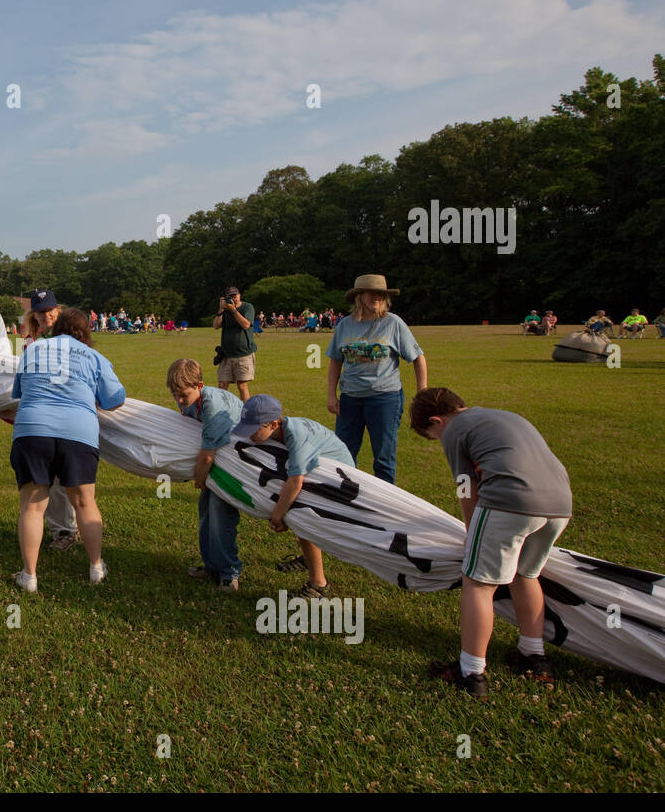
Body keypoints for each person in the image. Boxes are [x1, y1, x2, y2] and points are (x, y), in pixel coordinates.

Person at [410, 388, 572, 699]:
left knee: (478, 584)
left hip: (510, 500)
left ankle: (471, 673)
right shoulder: (503, 415)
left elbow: (466, 487)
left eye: (432, 435)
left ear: (436, 420)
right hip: (560, 505)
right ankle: (533, 656)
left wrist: (473, 535)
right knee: (526, 575)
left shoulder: (454, 429)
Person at [10, 308, 125, 592]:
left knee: (32, 507)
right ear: (86, 332)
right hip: (79, 433)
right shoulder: (94, 357)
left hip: (33, 429)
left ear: (56, 328)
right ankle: (96, 567)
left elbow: (19, 391)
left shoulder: (33, 349)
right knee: (85, 503)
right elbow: (115, 399)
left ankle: (29, 575)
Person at [231, 394, 356, 599]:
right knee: (296, 511)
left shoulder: (297, 436)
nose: (249, 435)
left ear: (272, 424)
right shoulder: (281, 430)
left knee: (300, 513)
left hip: (339, 480)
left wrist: (277, 516)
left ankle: (319, 585)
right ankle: (309, 559)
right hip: (319, 473)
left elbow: (295, 481)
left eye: (253, 430)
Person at [325, 274, 428, 484]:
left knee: (383, 456)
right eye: (372, 293)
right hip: (350, 399)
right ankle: (345, 496)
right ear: (359, 296)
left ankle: (385, 504)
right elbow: (336, 361)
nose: (377, 298)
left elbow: (418, 358)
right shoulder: (345, 325)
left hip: (384, 398)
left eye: (381, 294)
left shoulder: (393, 323)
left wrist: (422, 390)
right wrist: (331, 394)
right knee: (343, 453)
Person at [167, 359, 245, 590]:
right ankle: (211, 565)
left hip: (234, 461)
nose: (180, 402)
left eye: (184, 395)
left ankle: (229, 573)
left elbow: (207, 456)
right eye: (175, 395)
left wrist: (200, 479)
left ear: (200, 386)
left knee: (220, 515)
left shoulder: (213, 406)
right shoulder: (192, 401)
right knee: (206, 514)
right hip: (217, 457)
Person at [26, 289, 79, 552]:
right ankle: (65, 529)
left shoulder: (69, 336)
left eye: (50, 310)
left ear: (57, 310)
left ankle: (67, 530)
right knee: (55, 477)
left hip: (68, 415)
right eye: (40, 311)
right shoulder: (34, 343)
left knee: (64, 477)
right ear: (33, 315)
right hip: (46, 416)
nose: (46, 315)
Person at [212, 285, 257, 401]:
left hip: (243, 354)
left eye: (235, 295)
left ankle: (246, 414)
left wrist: (234, 311)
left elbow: (246, 325)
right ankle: (220, 411)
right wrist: (221, 310)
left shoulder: (247, 307)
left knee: (242, 386)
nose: (233, 298)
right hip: (226, 354)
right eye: (230, 296)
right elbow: (216, 325)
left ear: (240, 295)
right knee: (222, 385)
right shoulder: (225, 310)